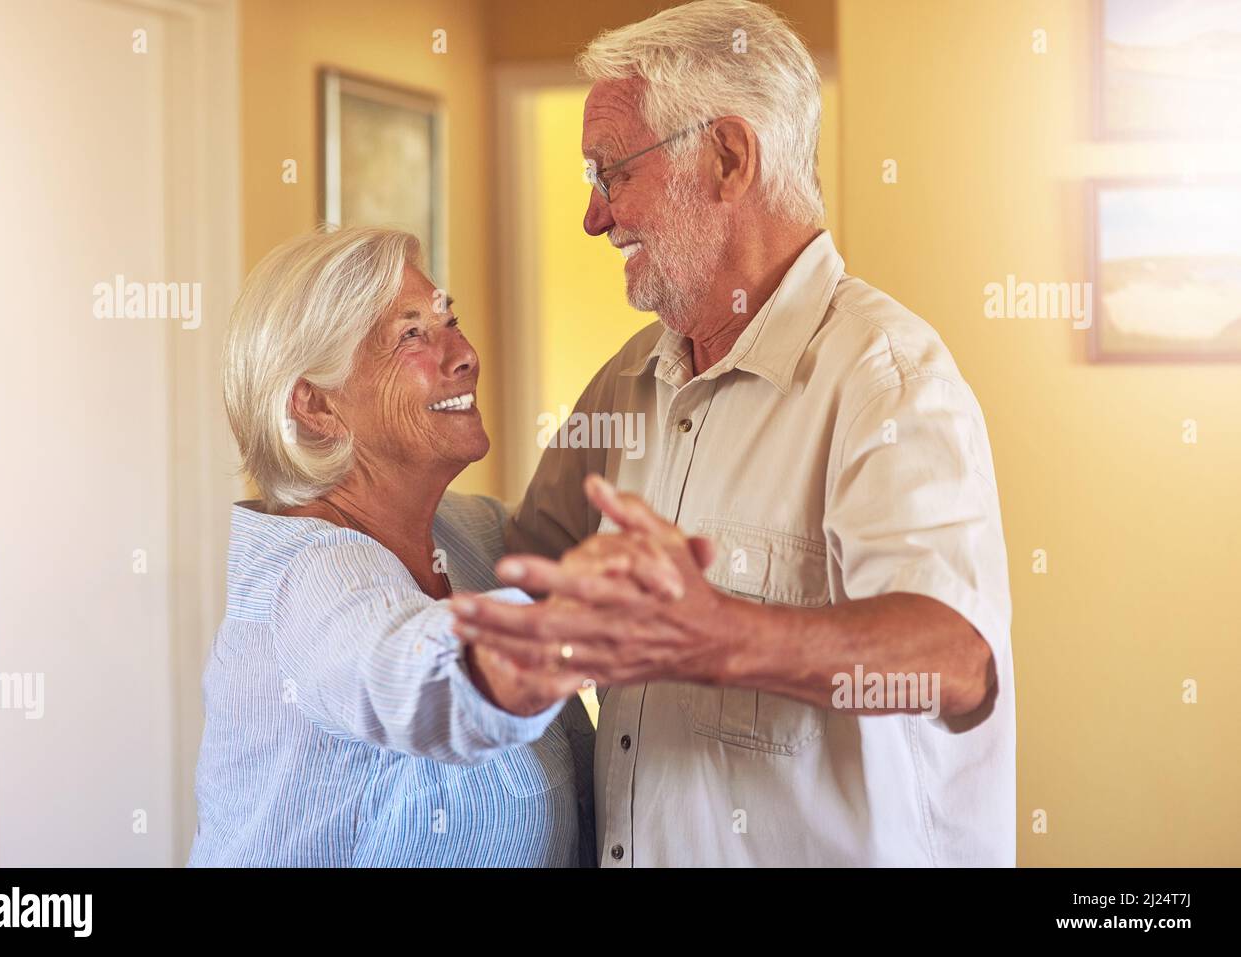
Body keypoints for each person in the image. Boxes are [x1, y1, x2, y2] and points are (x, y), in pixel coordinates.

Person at [450, 0, 1016, 867]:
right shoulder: (629, 379)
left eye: (611, 173)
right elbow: (527, 582)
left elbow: (954, 662)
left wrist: (719, 634)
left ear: (726, 156)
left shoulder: (886, 376)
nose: (596, 219)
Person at [188, 226, 599, 866]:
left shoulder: (467, 535)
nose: (464, 354)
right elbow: (407, 673)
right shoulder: (309, 580)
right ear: (317, 406)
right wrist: (592, 628)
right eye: (412, 335)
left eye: (449, 320)